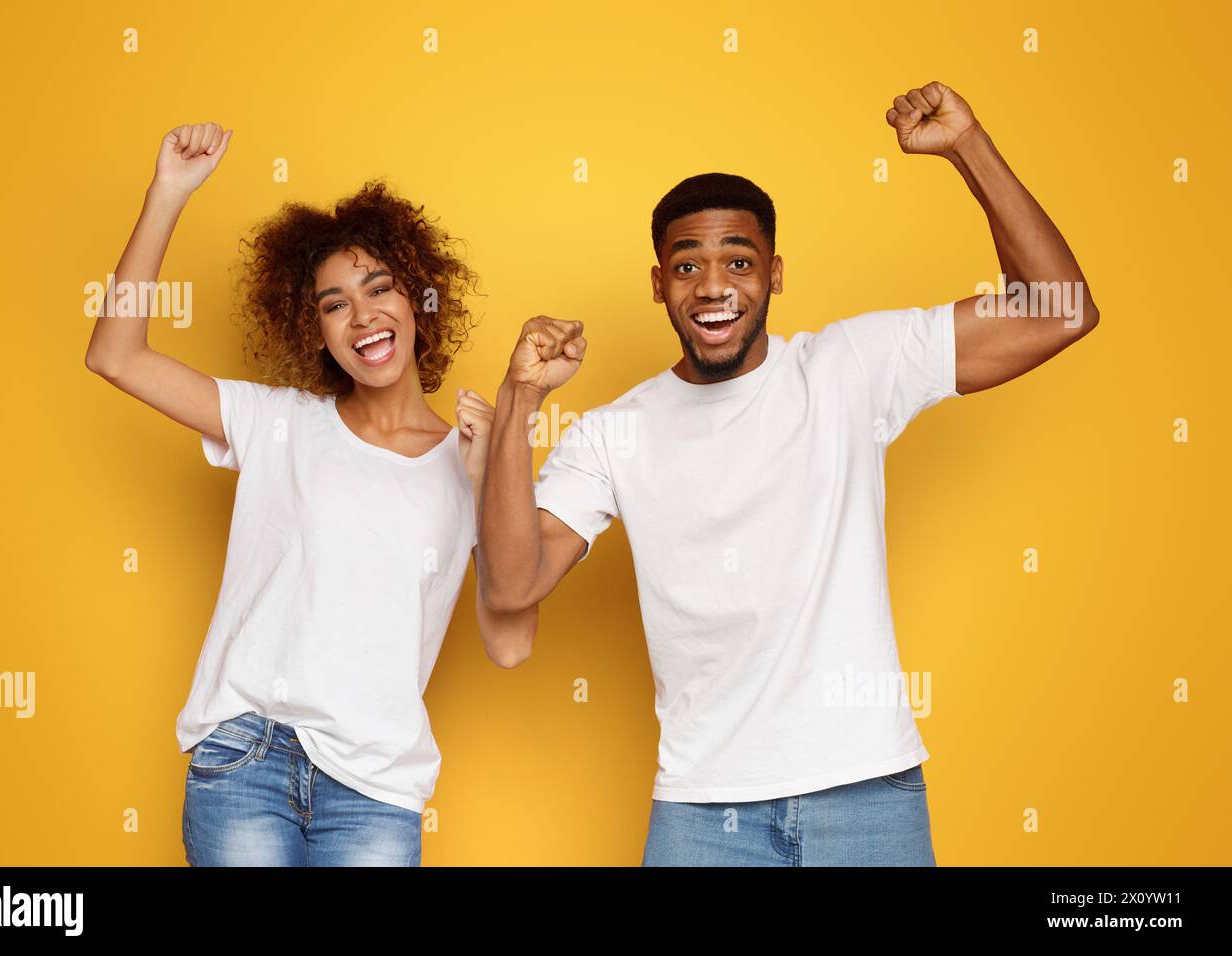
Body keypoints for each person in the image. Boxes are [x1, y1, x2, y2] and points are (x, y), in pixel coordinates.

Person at [476, 82, 1099, 865]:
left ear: (774, 275)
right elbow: (509, 586)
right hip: (702, 812)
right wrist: (520, 397)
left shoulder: (850, 368)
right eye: (686, 265)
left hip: (867, 795)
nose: (712, 286)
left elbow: (1061, 310)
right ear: (659, 284)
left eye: (738, 262)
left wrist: (968, 148)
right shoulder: (612, 435)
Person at [85, 122, 537, 866]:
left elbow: (511, 643)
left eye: (379, 288)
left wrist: (494, 476)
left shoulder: (473, 460)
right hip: (247, 761)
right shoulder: (277, 424)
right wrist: (167, 192)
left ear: (419, 301)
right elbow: (115, 354)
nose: (362, 316)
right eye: (333, 304)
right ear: (314, 330)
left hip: (377, 789)